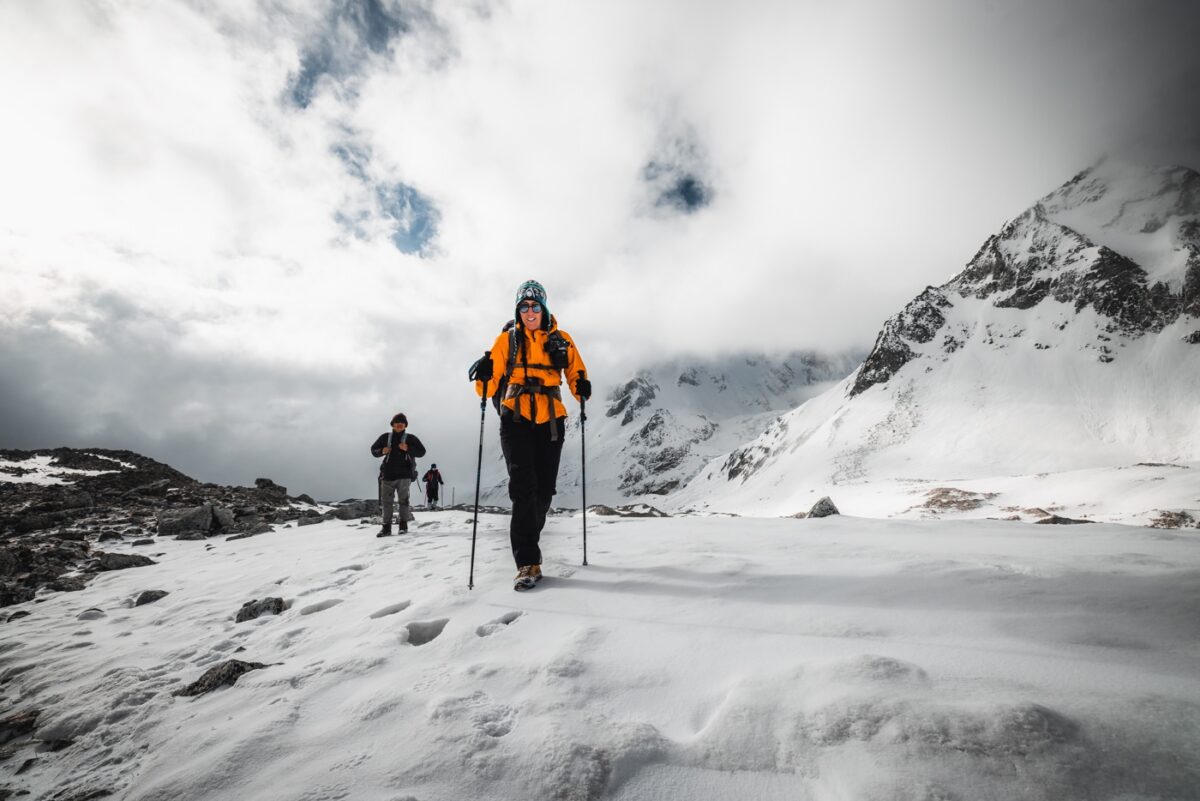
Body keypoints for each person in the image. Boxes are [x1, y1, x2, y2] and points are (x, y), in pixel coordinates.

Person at [470, 280, 590, 590]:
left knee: (544, 492)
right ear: (517, 310)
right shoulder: (505, 342)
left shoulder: (562, 340)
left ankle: (529, 546)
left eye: (535, 306)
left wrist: (581, 389)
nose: (530, 311)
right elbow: (487, 386)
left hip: (551, 419)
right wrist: (483, 376)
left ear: (545, 308)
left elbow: (576, 373)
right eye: (524, 306)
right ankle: (527, 562)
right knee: (523, 488)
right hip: (516, 417)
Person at [370, 413, 427, 537]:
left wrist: (408, 448)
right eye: (397, 423)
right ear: (392, 424)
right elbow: (373, 450)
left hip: (404, 476)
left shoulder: (411, 438)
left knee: (403, 501)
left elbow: (422, 452)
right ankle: (386, 528)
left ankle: (403, 526)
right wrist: (381, 451)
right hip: (388, 475)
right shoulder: (385, 437)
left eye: (402, 423)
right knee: (387, 502)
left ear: (405, 425)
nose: (399, 425)